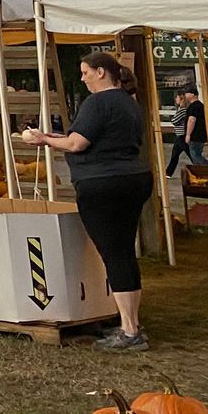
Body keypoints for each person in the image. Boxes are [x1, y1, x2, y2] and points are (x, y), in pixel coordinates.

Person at [22, 51, 154, 352]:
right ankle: (131, 322)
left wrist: (44, 140)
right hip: (133, 178)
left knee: (114, 254)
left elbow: (77, 143)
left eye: (85, 72)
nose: (82, 79)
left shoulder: (97, 102)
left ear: (101, 72)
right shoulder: (128, 102)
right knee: (124, 251)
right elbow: (92, 137)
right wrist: (56, 136)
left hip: (102, 183)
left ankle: (130, 331)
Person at [166, 84, 208, 175]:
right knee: (189, 154)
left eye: (186, 93)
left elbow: (191, 120)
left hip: (194, 136)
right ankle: (201, 172)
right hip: (199, 135)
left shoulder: (193, 106)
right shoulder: (199, 105)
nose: (185, 95)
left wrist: (188, 134)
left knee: (195, 155)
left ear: (192, 94)